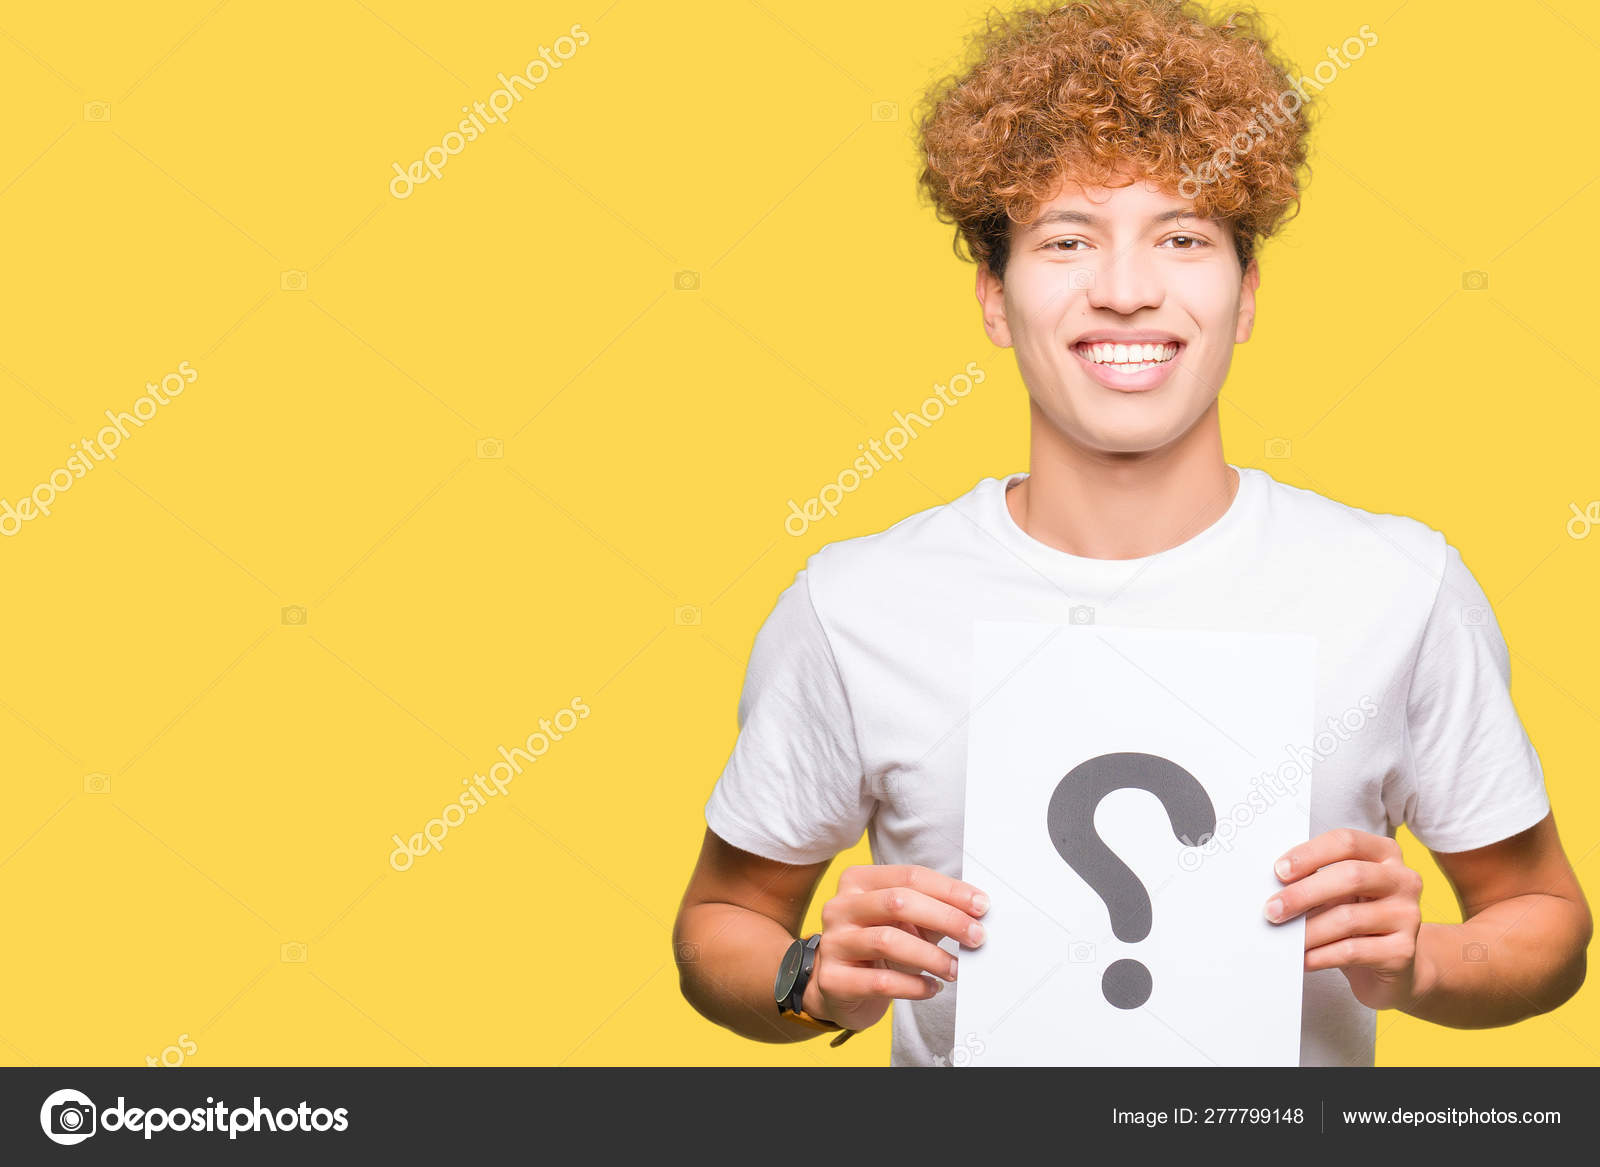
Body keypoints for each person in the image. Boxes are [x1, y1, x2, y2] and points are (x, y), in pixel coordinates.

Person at [672, 0, 1591, 1066]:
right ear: (992, 295)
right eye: (1067, 240)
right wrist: (809, 978)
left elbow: (1544, 919)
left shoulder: (1398, 587)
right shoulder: (856, 604)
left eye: (1183, 237)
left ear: (1245, 295)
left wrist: (1420, 962)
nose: (1122, 290)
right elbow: (718, 925)